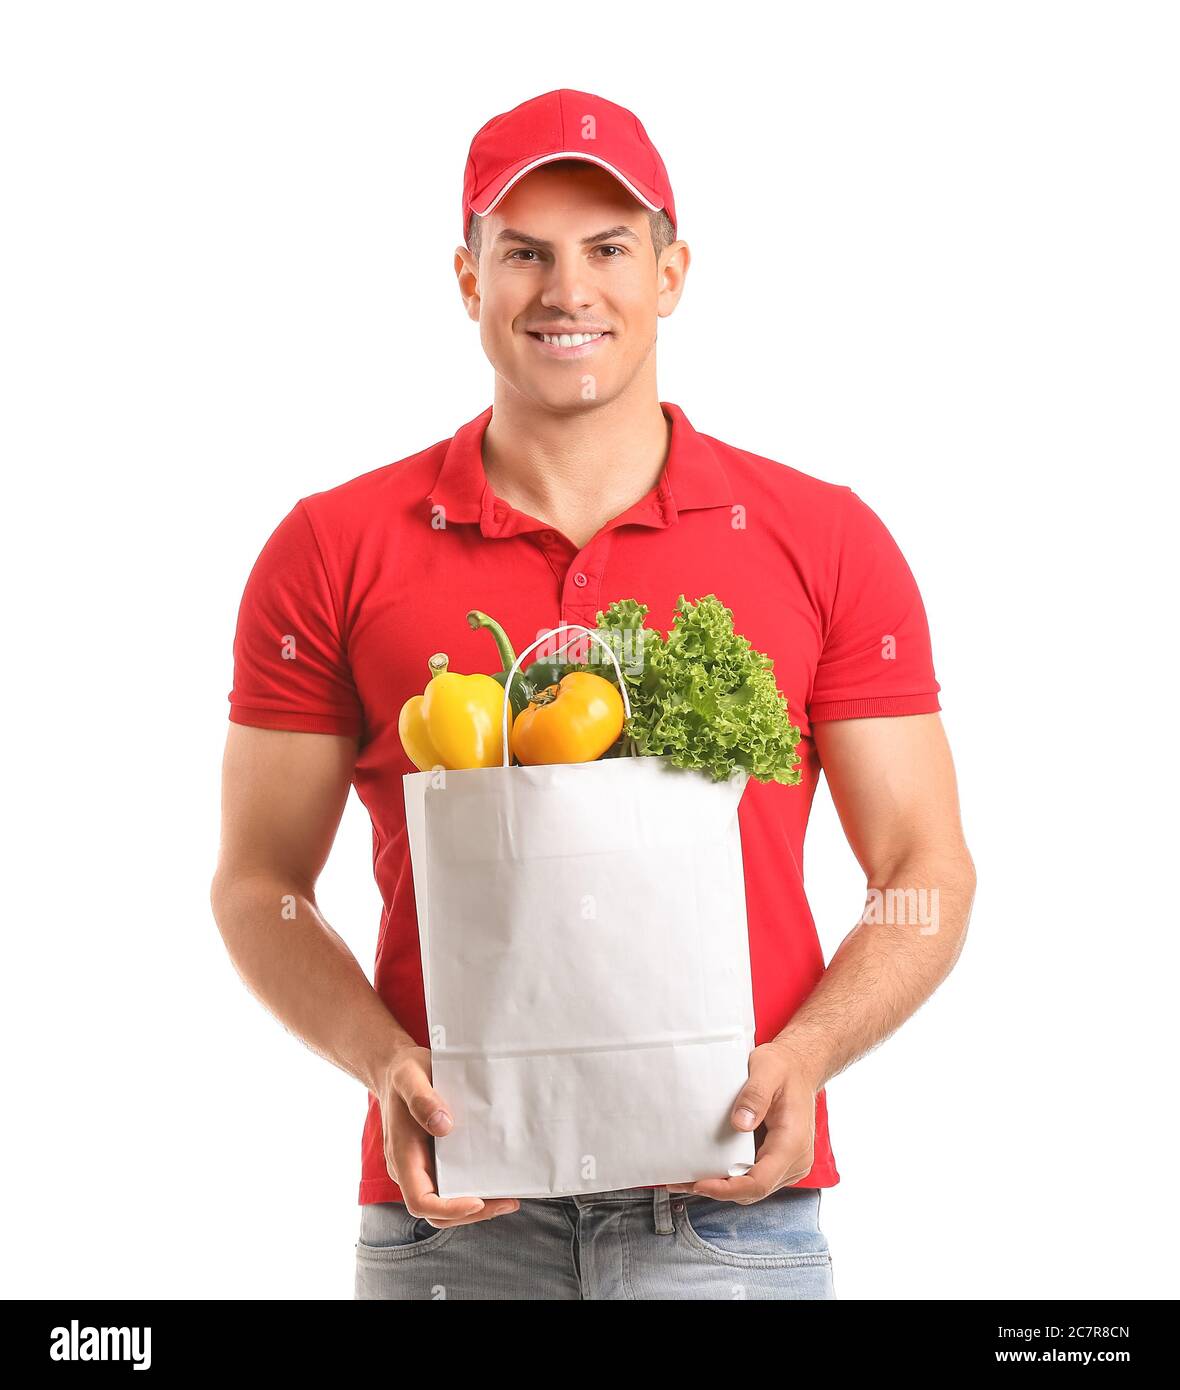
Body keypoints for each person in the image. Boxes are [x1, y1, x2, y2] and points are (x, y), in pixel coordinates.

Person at [211, 88, 976, 1301]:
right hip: (452, 1217)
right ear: (467, 282)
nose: (568, 290)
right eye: (523, 252)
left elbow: (924, 873)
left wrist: (811, 1053)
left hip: (733, 1215)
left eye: (608, 249)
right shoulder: (332, 547)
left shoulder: (822, 540)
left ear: (670, 274)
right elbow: (262, 888)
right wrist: (379, 1060)